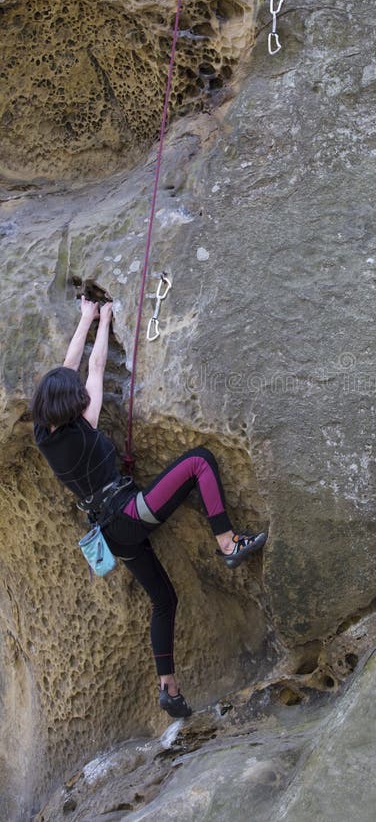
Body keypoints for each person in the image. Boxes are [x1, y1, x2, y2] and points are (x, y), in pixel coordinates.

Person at [31, 296, 267, 719]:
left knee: (164, 599)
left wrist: (87, 316)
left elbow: (68, 371)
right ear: (73, 406)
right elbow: (95, 368)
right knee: (199, 461)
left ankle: (169, 689)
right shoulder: (83, 427)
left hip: (111, 534)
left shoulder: (44, 435)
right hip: (127, 513)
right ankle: (229, 543)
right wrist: (104, 321)